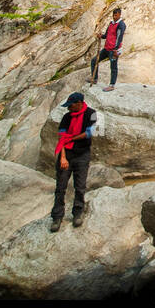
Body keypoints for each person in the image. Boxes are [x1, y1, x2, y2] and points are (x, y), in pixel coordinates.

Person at [51, 92, 97, 232]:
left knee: (80, 186)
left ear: (79, 103)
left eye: (70, 106)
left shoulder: (91, 113)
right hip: (67, 155)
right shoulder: (66, 117)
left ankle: (78, 212)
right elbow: (62, 137)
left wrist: (72, 138)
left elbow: (91, 132)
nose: (68, 108)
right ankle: (57, 216)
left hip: (82, 154)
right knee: (60, 186)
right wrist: (63, 157)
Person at [91, 7, 126, 92]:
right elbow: (107, 35)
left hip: (113, 50)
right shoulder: (111, 23)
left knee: (113, 67)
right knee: (94, 60)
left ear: (119, 15)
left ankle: (112, 85)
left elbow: (119, 37)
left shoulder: (121, 25)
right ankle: (94, 78)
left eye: (116, 15)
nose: (114, 17)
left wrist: (116, 49)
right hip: (107, 48)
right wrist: (101, 36)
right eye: (113, 15)